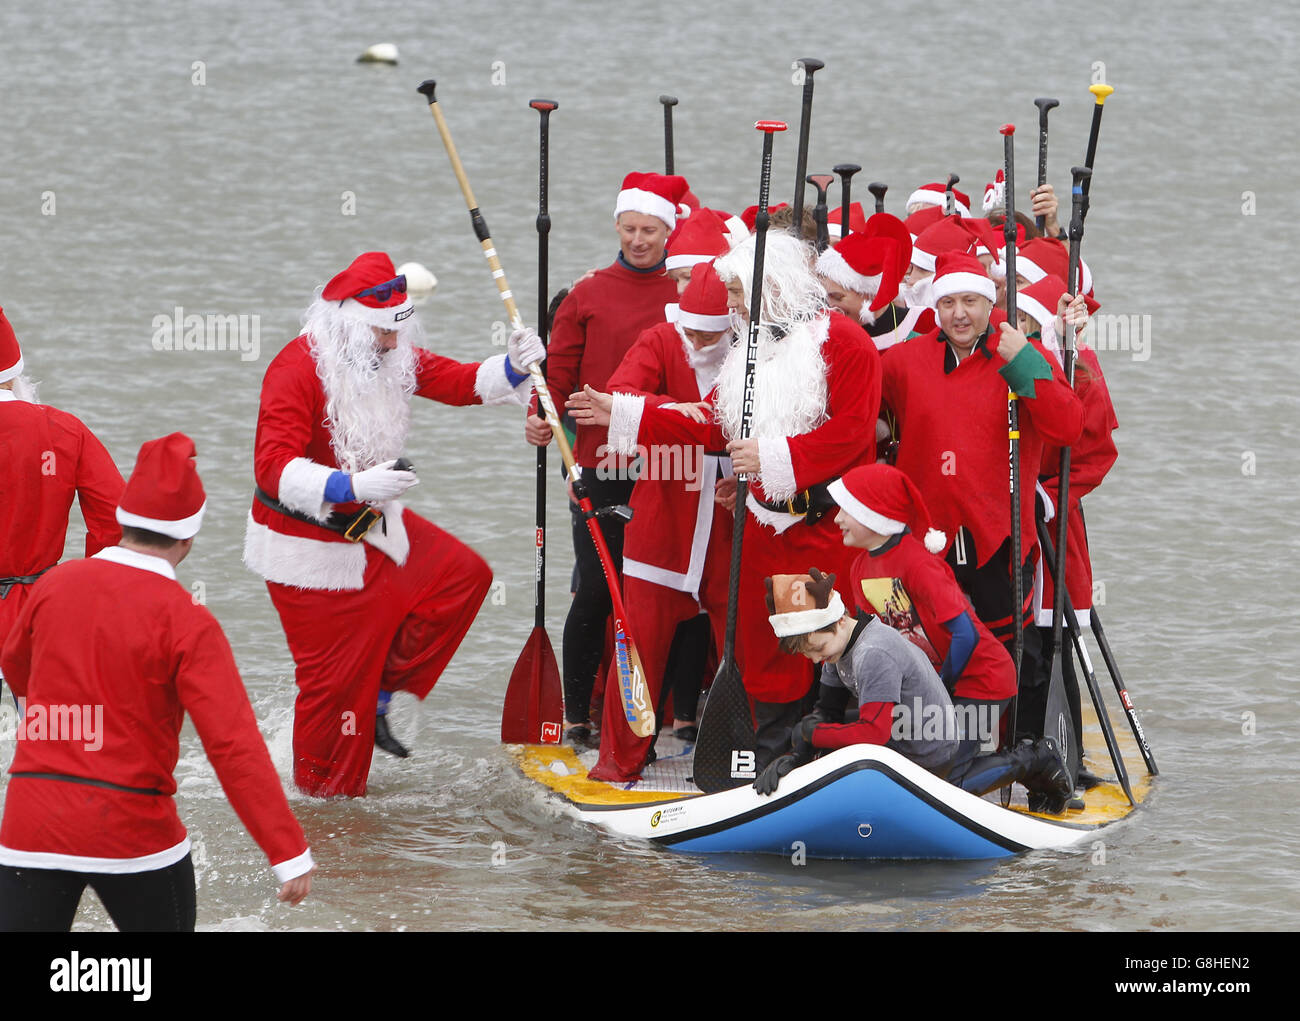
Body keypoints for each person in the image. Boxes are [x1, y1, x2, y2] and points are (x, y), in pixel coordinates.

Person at [575, 229, 881, 767]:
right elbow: (711, 427)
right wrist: (625, 414)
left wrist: (770, 457)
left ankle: (839, 758)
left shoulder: (848, 344)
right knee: (771, 652)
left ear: (775, 288)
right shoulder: (750, 349)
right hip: (762, 529)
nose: (732, 305)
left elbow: (853, 433)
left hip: (825, 529)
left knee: (830, 644)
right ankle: (767, 762)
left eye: (738, 293)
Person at [245, 251, 542, 797]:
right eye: (380, 333)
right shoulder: (295, 369)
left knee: (462, 578)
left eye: (394, 334)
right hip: (306, 545)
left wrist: (514, 366)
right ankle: (322, 809)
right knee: (332, 693)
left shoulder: (388, 353)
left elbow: (456, 382)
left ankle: (378, 696)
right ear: (347, 325)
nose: (388, 345)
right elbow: (272, 468)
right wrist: (350, 487)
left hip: (372, 526)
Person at [0, 434, 313, 931]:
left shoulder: (55, 584)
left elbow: (16, 667)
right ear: (188, 537)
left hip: (32, 821)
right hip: (132, 830)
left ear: (122, 519)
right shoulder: (187, 620)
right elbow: (232, 746)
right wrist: (288, 851)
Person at [880, 252, 1083, 742]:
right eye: (947, 302)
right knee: (924, 644)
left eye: (971, 300)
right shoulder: (905, 360)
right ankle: (930, 748)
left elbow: (1068, 426)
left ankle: (1029, 753)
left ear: (989, 303)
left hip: (1001, 531)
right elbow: (868, 418)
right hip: (926, 535)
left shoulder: (1021, 353)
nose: (959, 313)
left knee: (1016, 649)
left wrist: (1025, 360)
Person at [524, 172, 685, 747]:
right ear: (617, 226)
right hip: (600, 463)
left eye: (650, 230)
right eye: (629, 228)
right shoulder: (588, 293)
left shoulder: (689, 290)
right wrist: (539, 417)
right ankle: (576, 716)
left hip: (673, 461)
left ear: (670, 229)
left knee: (674, 589)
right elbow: (558, 378)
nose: (639, 239)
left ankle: (683, 715)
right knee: (596, 587)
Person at [581, 264, 736, 782]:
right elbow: (618, 398)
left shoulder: (750, 350)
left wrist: (662, 416)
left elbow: (719, 427)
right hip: (663, 515)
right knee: (639, 646)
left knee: (744, 648)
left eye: (709, 334)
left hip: (728, 516)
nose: (698, 343)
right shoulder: (659, 339)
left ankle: (747, 757)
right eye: (691, 331)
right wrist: (678, 411)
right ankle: (617, 760)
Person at [753, 569, 1071, 810]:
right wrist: (797, 755)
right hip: (898, 730)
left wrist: (811, 735)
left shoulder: (872, 652)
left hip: (929, 750)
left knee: (949, 795)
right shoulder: (838, 645)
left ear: (837, 621)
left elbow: (872, 734)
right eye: (807, 654)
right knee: (809, 730)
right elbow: (827, 710)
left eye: (817, 648)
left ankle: (1036, 757)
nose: (815, 659)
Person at [0, 306, 123, 683]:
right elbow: (117, 525)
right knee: (45, 735)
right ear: (17, 372)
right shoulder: (64, 431)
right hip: (38, 615)